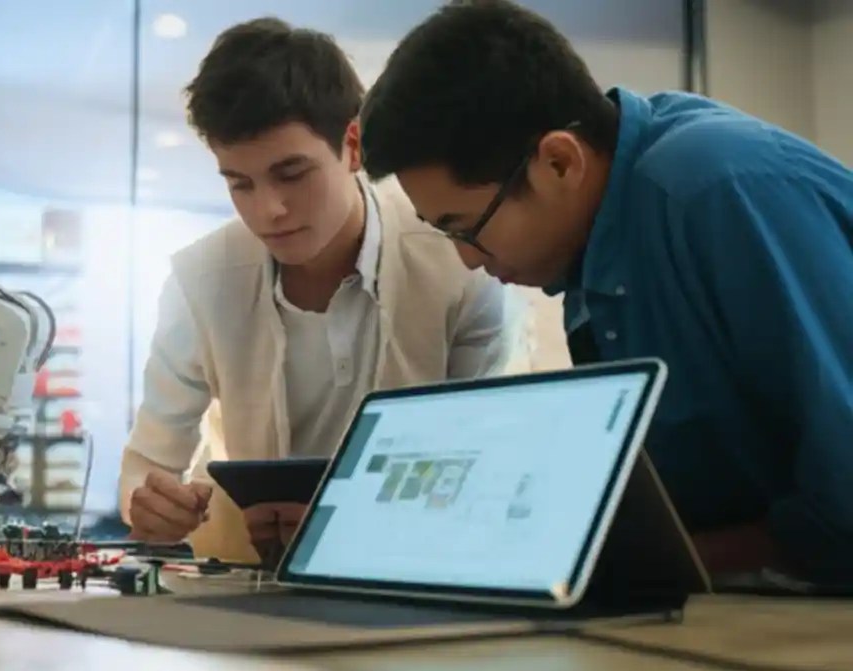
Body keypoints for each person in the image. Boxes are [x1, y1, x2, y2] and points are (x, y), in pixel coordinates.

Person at [359, 0, 853, 582]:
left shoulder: (714, 190)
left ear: (560, 163)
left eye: (467, 228)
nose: (467, 259)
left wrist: (651, 568)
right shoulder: (591, 242)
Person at [121, 18, 515, 564]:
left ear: (352, 145)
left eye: (292, 172)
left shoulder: (459, 261)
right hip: (247, 589)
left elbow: (487, 468)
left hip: (416, 581)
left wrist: (353, 519)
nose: (268, 210)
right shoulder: (200, 280)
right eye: (240, 183)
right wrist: (151, 506)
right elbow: (147, 465)